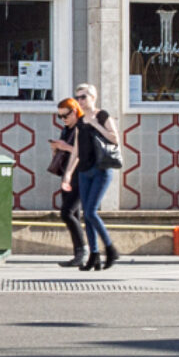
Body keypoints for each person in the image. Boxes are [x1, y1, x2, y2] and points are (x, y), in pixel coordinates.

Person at [63, 81, 123, 272]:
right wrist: (68, 173)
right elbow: (77, 150)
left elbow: (115, 139)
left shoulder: (102, 115)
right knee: (87, 217)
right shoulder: (80, 120)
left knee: (90, 212)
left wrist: (95, 124)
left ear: (93, 97)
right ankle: (94, 256)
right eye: (77, 97)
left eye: (83, 97)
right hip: (84, 171)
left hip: (101, 169)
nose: (80, 101)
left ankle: (111, 249)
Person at [50, 95, 91, 270]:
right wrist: (56, 149)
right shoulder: (67, 129)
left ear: (75, 112)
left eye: (65, 115)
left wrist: (64, 147)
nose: (63, 119)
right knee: (74, 215)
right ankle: (79, 254)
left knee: (66, 212)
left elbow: (85, 152)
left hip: (81, 175)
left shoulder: (84, 127)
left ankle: (84, 251)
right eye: (60, 116)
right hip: (68, 174)